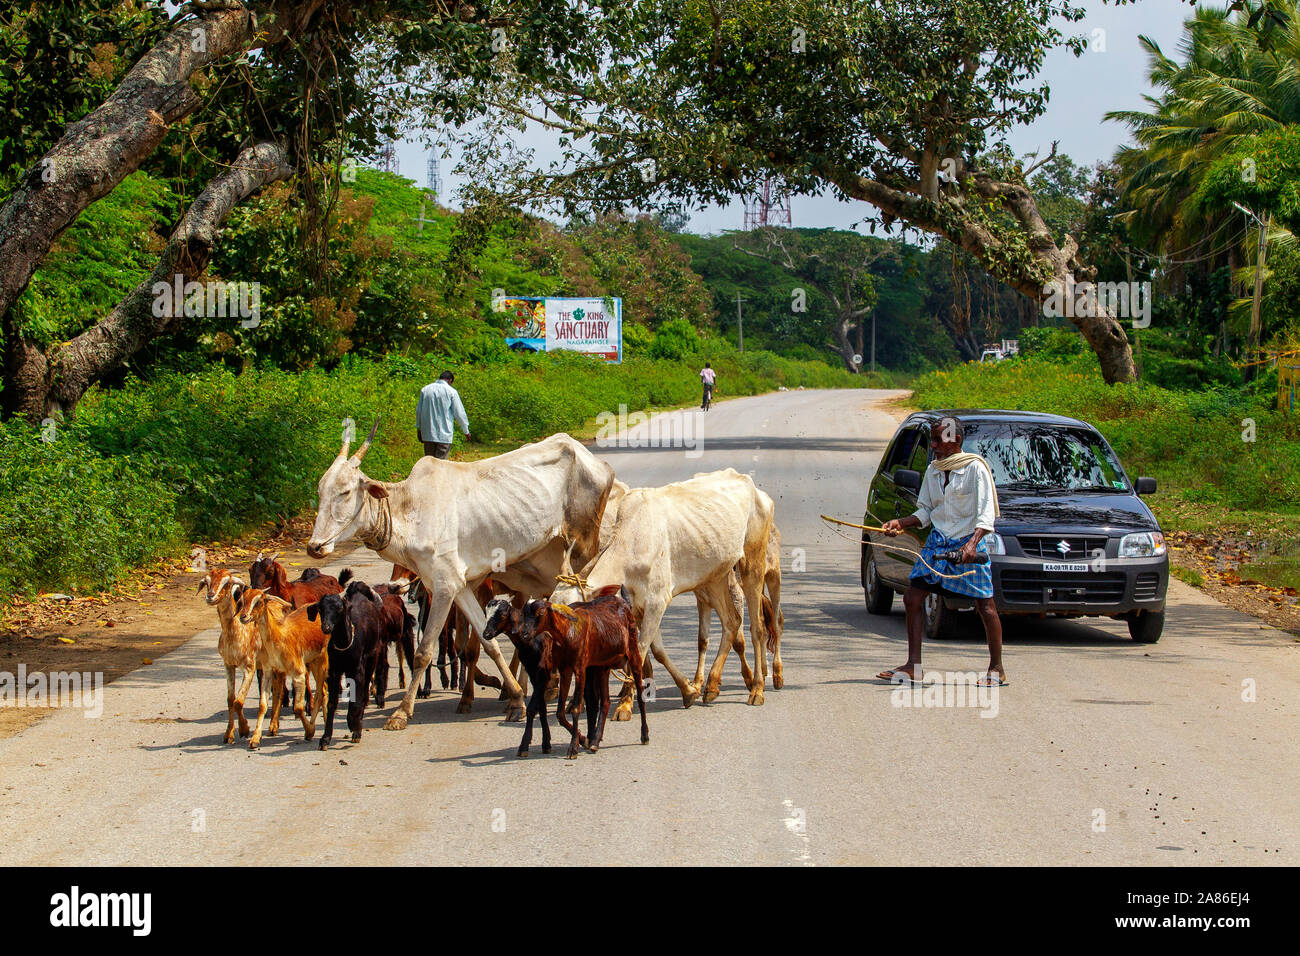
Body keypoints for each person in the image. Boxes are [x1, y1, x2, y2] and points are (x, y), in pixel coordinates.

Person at [876, 416, 1007, 687]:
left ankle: (996, 668)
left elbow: (985, 516)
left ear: (956, 440)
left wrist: (971, 545)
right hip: (938, 541)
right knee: (912, 597)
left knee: (985, 606)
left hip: (967, 542)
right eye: (931, 440)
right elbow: (926, 510)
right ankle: (914, 666)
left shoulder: (975, 468)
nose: (933, 445)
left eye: (938, 440)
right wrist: (901, 523)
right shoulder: (934, 471)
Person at [416, 370, 470, 459]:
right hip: (444, 435)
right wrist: (466, 431)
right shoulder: (451, 391)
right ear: (450, 380)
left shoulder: (425, 389)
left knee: (429, 464)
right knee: (441, 465)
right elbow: (459, 413)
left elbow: (419, 411)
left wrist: (419, 428)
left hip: (428, 434)